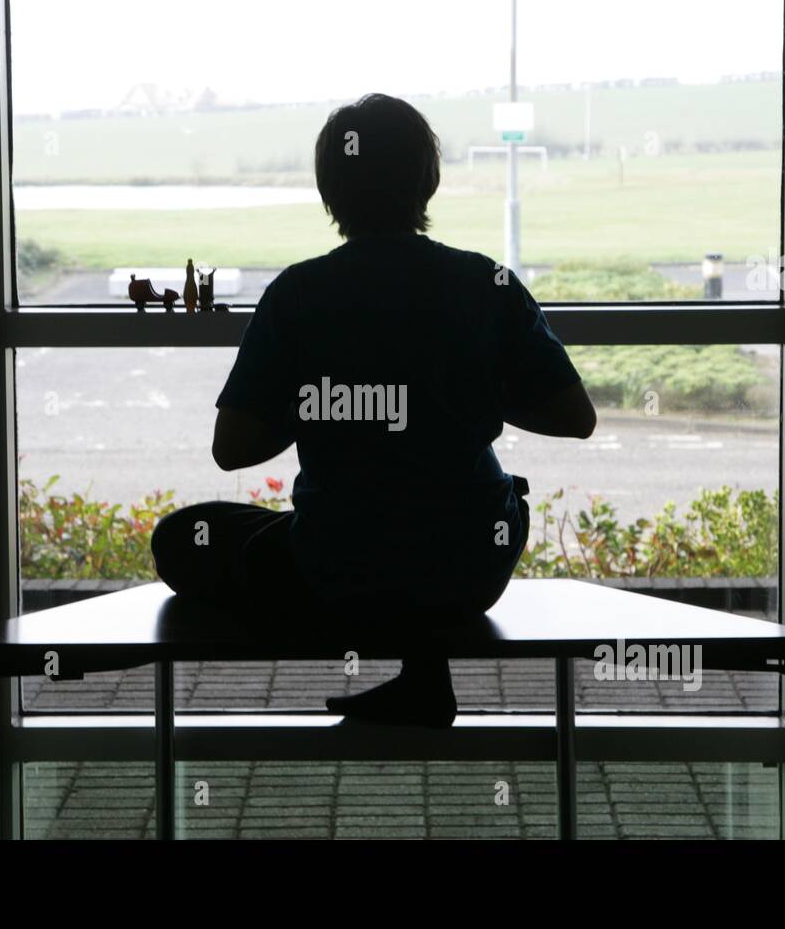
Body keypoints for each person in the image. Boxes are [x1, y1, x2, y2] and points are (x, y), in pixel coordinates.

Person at [151, 93, 596, 727]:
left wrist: (323, 398)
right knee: (420, 522)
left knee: (181, 539)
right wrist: (458, 391)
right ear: (427, 180)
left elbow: (233, 449)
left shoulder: (299, 293)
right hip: (472, 562)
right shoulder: (485, 282)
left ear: (331, 191)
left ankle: (380, 647)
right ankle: (422, 673)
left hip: (340, 565)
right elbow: (576, 418)